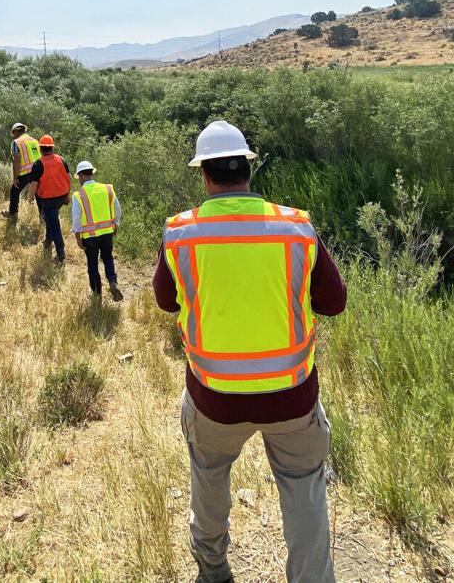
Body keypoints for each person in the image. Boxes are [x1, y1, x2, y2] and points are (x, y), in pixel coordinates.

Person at [152, 120, 347, 583]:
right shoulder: (297, 227)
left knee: (210, 478)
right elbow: (333, 302)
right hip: (293, 398)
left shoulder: (180, 233)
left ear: (204, 176)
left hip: (214, 397)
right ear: (249, 170)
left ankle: (214, 570)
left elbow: (165, 300)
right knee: (303, 491)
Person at [71, 160, 123, 301]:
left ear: (81, 176)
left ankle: (97, 294)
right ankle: (113, 282)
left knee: (92, 264)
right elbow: (118, 209)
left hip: (90, 237)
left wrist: (77, 237)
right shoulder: (107, 189)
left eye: (79, 177)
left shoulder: (79, 195)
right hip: (107, 233)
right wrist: (115, 224)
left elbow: (76, 219)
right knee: (107, 257)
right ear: (92, 173)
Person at [21, 134, 70, 262]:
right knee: (50, 218)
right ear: (52, 148)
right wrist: (67, 196)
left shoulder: (38, 164)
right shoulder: (62, 160)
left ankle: (60, 253)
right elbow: (68, 178)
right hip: (61, 197)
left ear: (40, 149)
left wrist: (30, 198)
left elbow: (34, 184)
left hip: (48, 199)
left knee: (54, 223)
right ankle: (48, 240)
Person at [2, 122, 41, 219]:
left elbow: (17, 161)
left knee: (14, 191)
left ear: (15, 132)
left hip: (25, 172)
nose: (13, 136)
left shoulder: (17, 142)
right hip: (38, 171)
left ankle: (12, 214)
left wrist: (15, 177)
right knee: (38, 193)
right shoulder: (35, 141)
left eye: (13, 134)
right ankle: (43, 216)